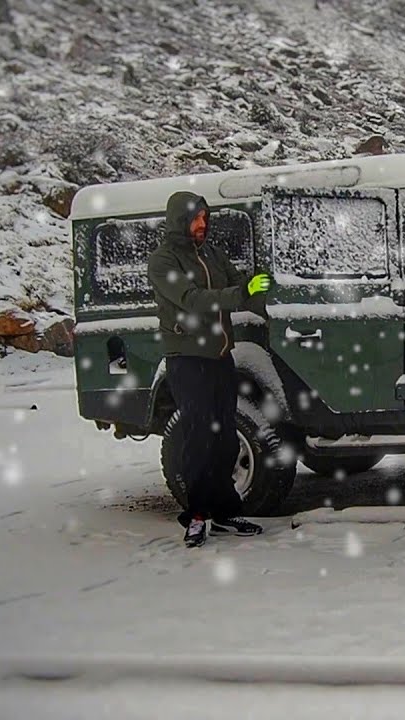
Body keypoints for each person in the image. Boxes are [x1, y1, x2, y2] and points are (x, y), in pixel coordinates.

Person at [147, 191, 274, 548]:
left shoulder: (213, 255)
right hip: (188, 361)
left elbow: (240, 289)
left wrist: (266, 293)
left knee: (224, 438)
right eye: (196, 219)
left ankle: (224, 510)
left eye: (205, 218)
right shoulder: (163, 260)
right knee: (199, 438)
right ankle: (198, 515)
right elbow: (191, 300)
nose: (202, 225)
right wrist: (239, 293)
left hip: (220, 356)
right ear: (179, 221)